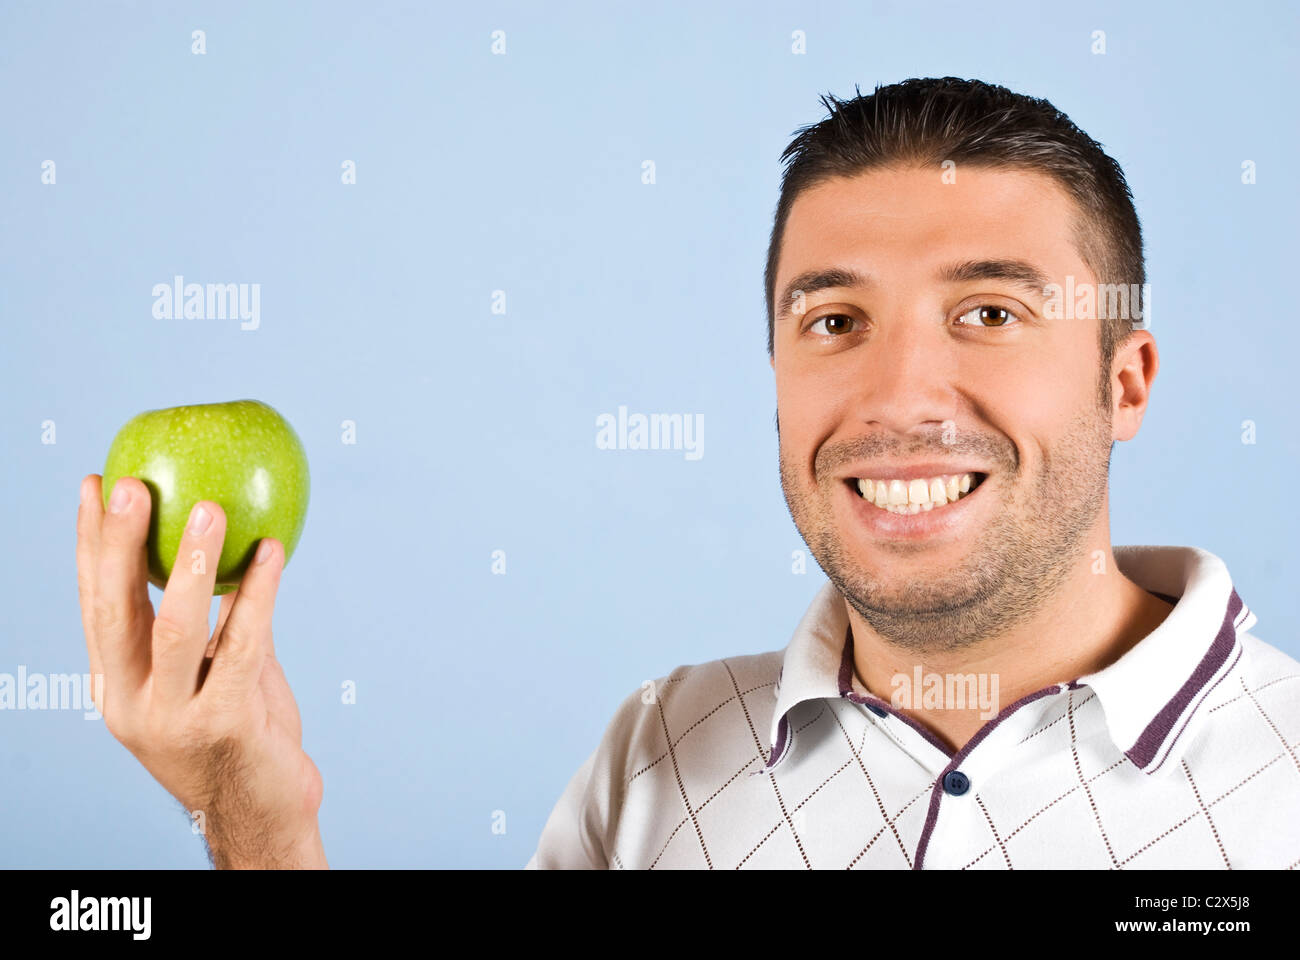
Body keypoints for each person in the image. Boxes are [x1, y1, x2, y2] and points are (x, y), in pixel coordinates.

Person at [76, 78, 1300, 870]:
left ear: (1124, 380)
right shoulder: (658, 749)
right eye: (833, 324)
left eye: (987, 312)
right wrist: (256, 820)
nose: (898, 398)